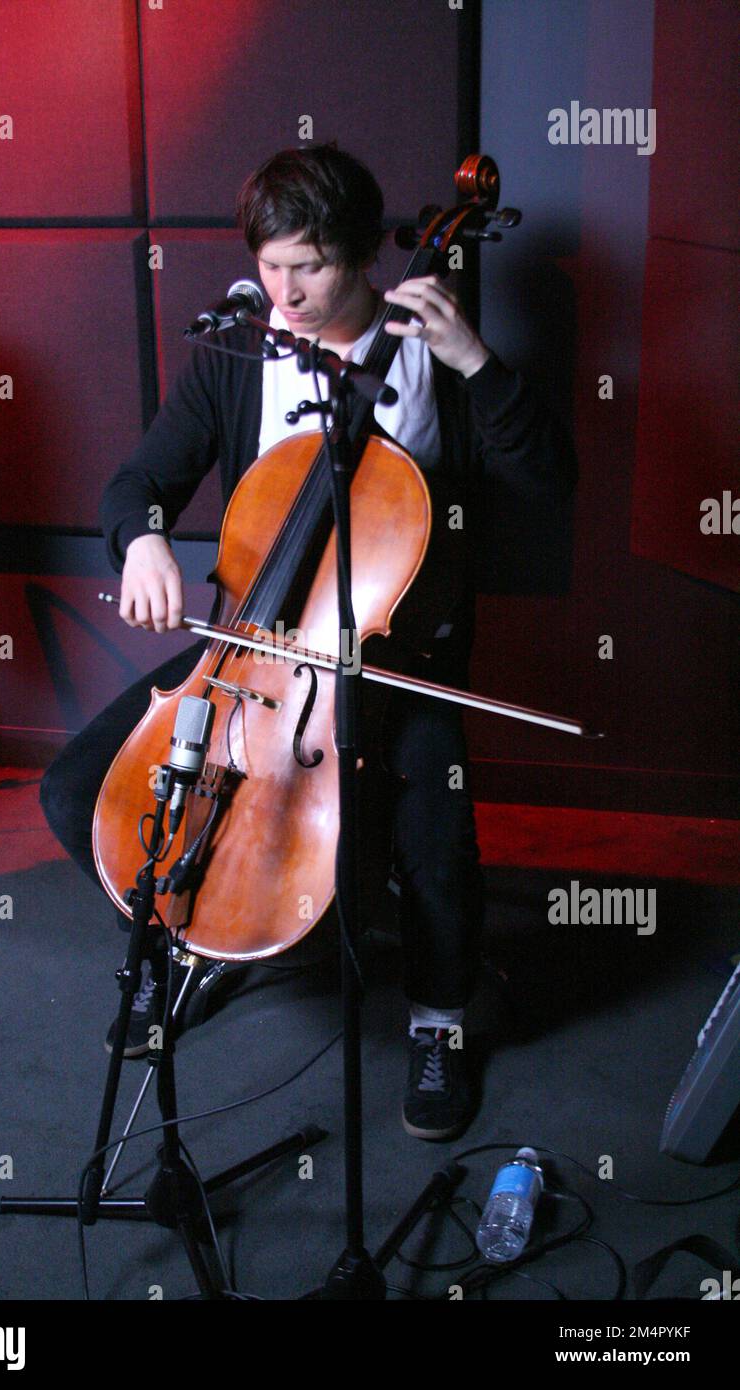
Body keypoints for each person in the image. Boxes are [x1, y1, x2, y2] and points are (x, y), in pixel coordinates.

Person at [41, 143, 575, 1141]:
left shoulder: (435, 355)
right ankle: (202, 943)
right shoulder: (240, 353)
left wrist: (476, 364)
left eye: (310, 267)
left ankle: (440, 1019)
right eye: (270, 263)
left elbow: (547, 480)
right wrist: (143, 537)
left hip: (398, 655)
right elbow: (137, 480)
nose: (283, 291)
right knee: (77, 791)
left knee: (428, 838)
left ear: (369, 253)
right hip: (254, 647)